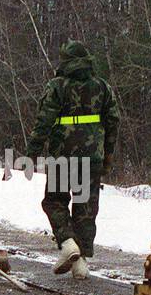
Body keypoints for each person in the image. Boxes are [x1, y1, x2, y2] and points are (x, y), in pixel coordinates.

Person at [24, 40, 121, 280]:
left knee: (54, 201)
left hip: (62, 155)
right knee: (85, 207)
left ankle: (68, 243)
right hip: (92, 157)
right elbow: (113, 122)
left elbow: (43, 122)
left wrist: (32, 152)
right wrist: (107, 154)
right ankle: (81, 263)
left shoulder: (57, 87)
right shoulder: (102, 87)